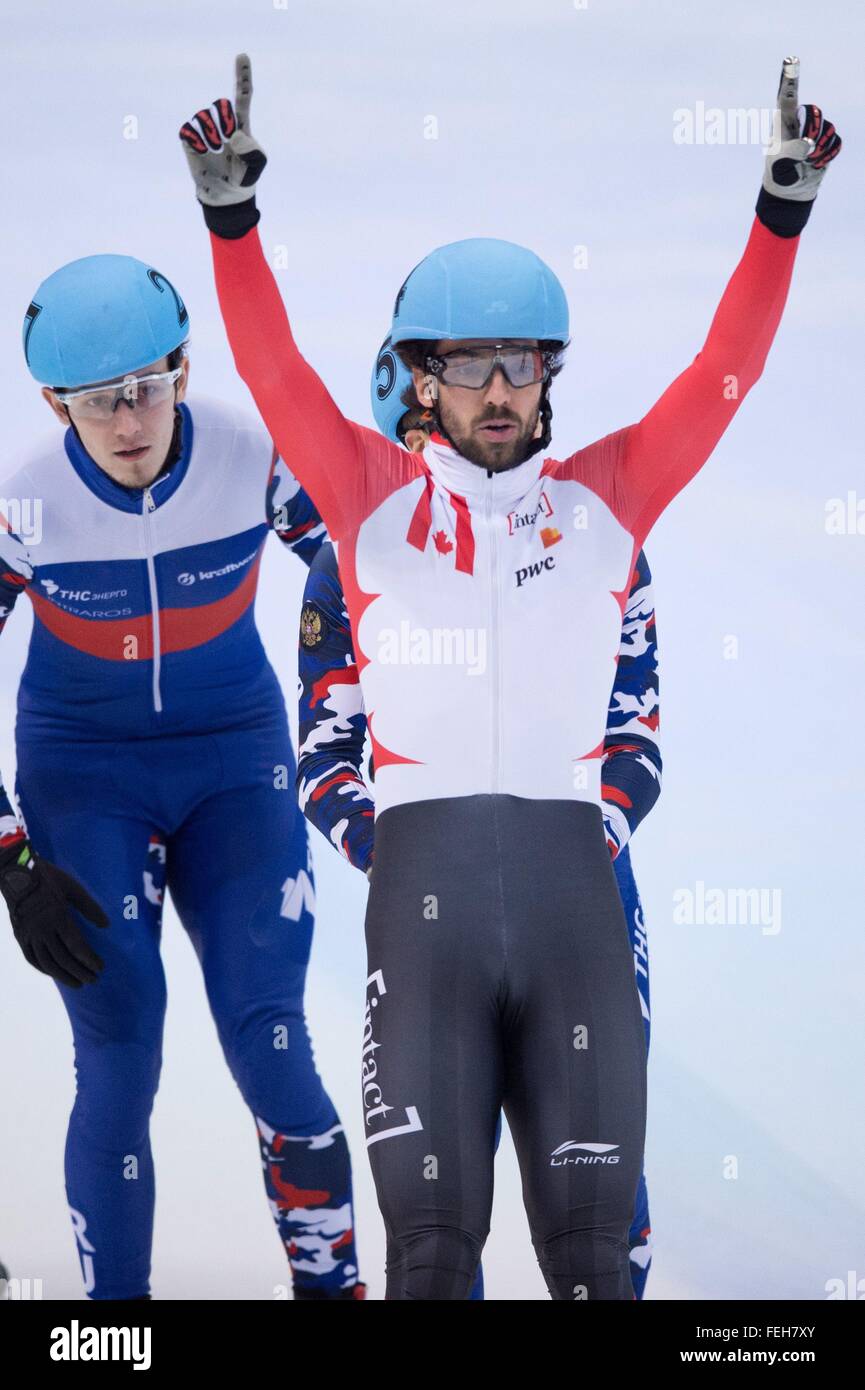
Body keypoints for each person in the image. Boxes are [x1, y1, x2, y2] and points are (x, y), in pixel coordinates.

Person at [179, 55, 840, 1299]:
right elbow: (275, 375)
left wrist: (779, 216)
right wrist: (232, 224)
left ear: (550, 376)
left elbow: (722, 380)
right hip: (422, 909)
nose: (498, 390)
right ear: (420, 380)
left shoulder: (607, 501)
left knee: (595, 1262)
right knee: (430, 1261)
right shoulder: (365, 503)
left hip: (571, 910)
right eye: (470, 366)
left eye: (522, 364)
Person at [0, 254, 364, 1300]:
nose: (127, 421)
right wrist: (13, 858)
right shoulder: (24, 506)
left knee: (276, 1042)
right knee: (120, 1058)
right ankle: (116, 1329)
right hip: (84, 779)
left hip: (233, 768)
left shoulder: (252, 458)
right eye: (96, 401)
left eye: (150, 388)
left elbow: (371, 578)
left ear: (185, 367)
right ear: (51, 404)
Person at [296, 344, 660, 1298]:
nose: (440, 459)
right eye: (412, 441)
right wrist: (404, 857)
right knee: (433, 1224)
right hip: (431, 903)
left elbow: (638, 738)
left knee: (600, 1215)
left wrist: (584, 842)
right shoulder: (353, 557)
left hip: (579, 891)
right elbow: (324, 759)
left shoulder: (594, 539)